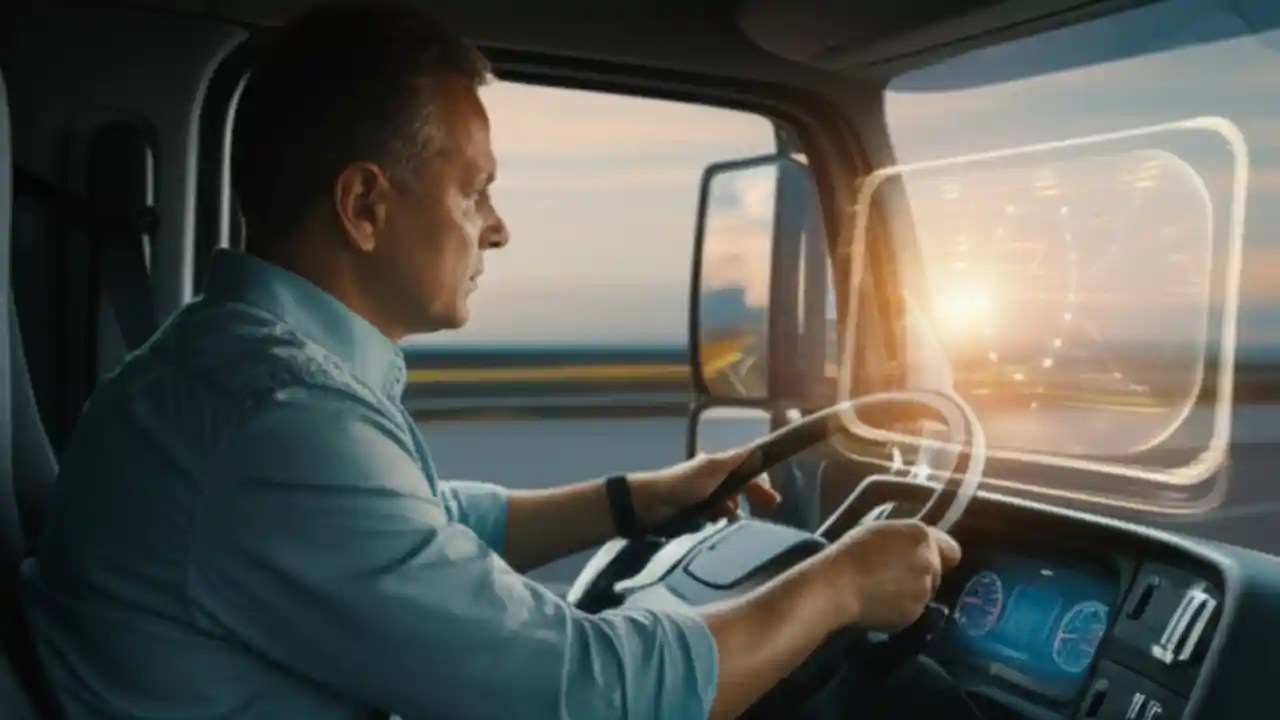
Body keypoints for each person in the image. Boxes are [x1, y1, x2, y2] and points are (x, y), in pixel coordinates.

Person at [19, 4, 965, 719]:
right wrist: (837, 587)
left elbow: (419, 525)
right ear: (364, 207)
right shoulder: (276, 417)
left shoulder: (227, 370)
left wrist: (635, 499)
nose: (498, 229)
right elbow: (580, 695)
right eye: (475, 192)